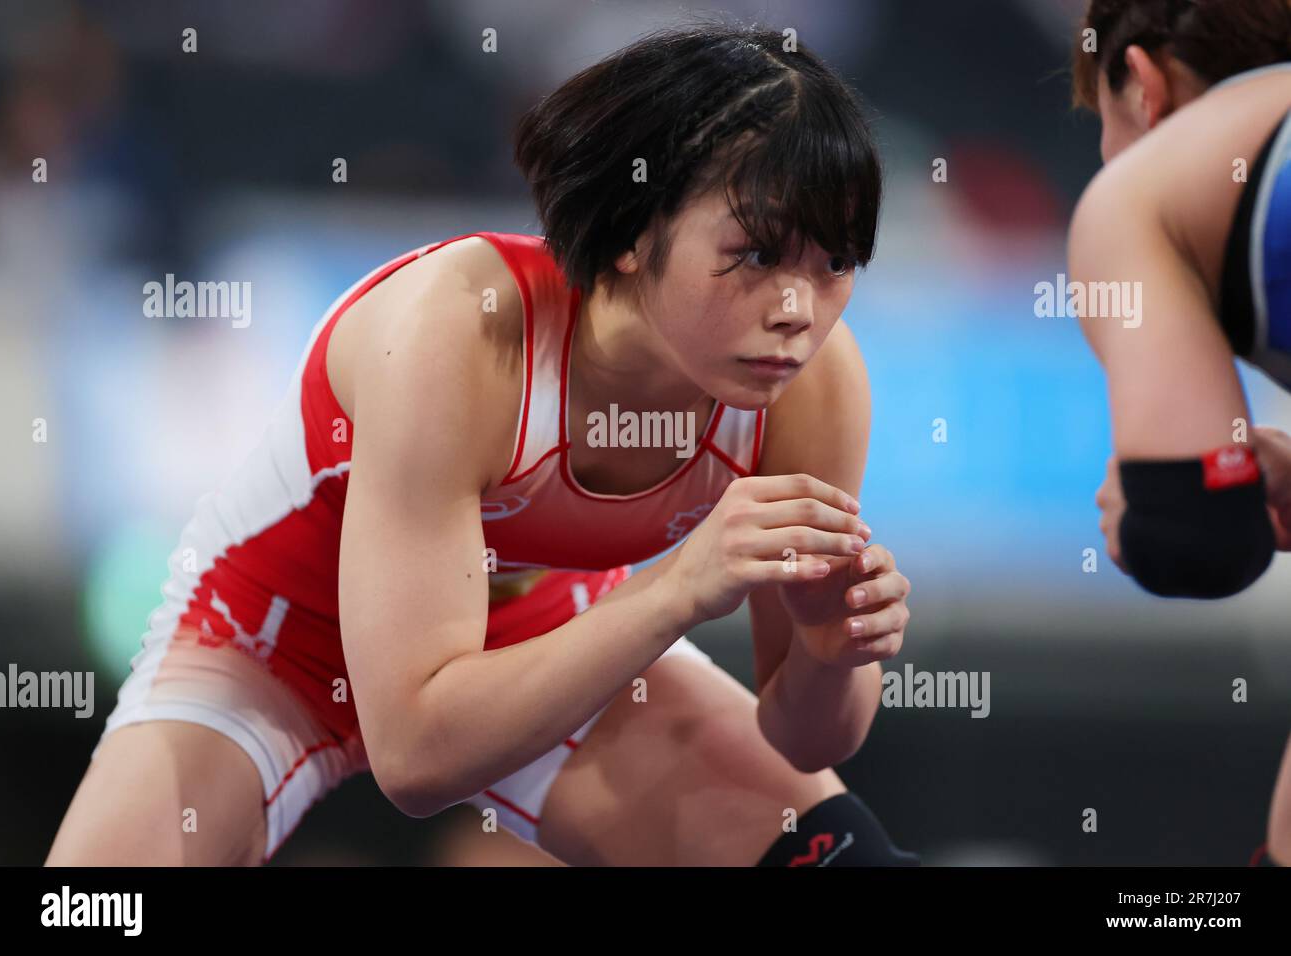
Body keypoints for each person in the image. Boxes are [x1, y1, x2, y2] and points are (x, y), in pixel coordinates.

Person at [47, 23, 917, 867]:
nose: (798, 310)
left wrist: (829, 653)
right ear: (630, 233)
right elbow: (417, 757)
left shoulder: (816, 385)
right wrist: (675, 592)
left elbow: (805, 740)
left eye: (835, 261)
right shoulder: (457, 330)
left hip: (539, 625)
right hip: (275, 638)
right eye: (758, 253)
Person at [1068, 0, 1291, 864]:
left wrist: (1139, 511)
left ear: (1143, 82)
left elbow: (1200, 537)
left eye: (1101, 120)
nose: (1102, 156)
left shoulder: (1140, 191)